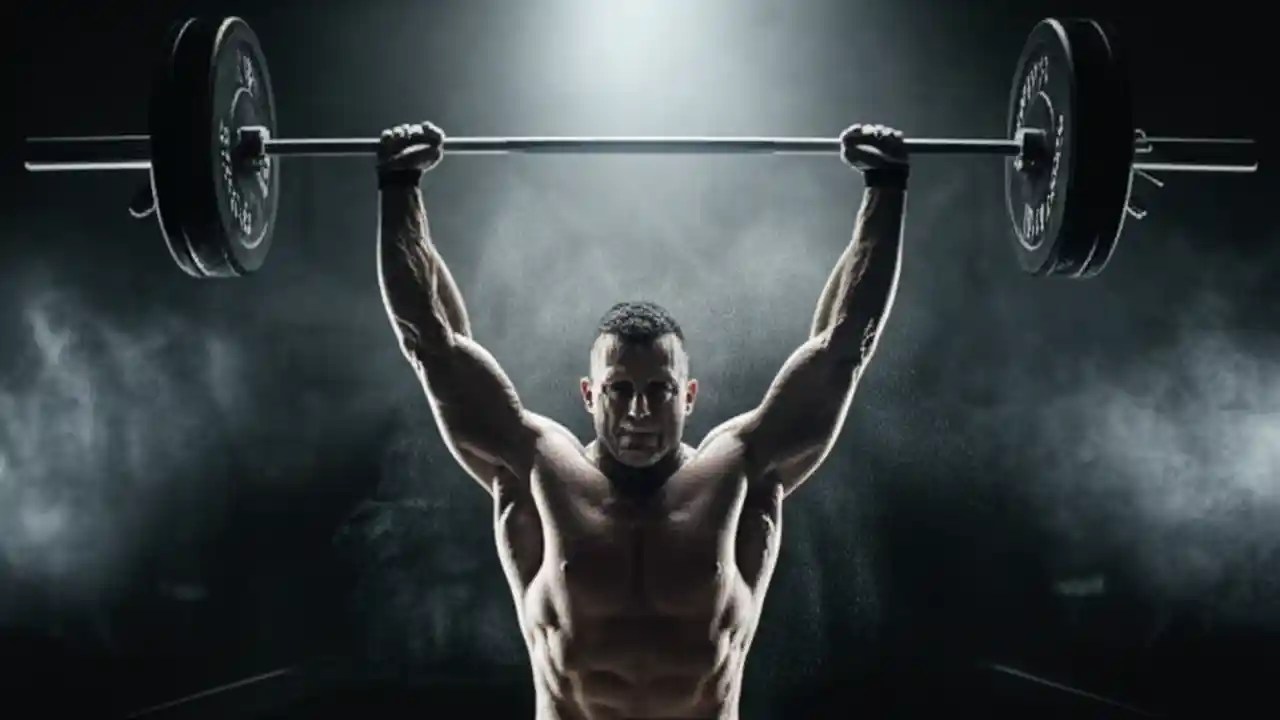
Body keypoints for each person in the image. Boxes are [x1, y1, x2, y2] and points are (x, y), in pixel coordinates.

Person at [375, 121, 908, 719]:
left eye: (659, 390)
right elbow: (433, 343)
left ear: (689, 396)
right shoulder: (538, 467)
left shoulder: (738, 470)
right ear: (588, 394)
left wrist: (885, 186)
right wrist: (399, 187)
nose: (638, 411)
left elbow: (843, 347)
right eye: (619, 390)